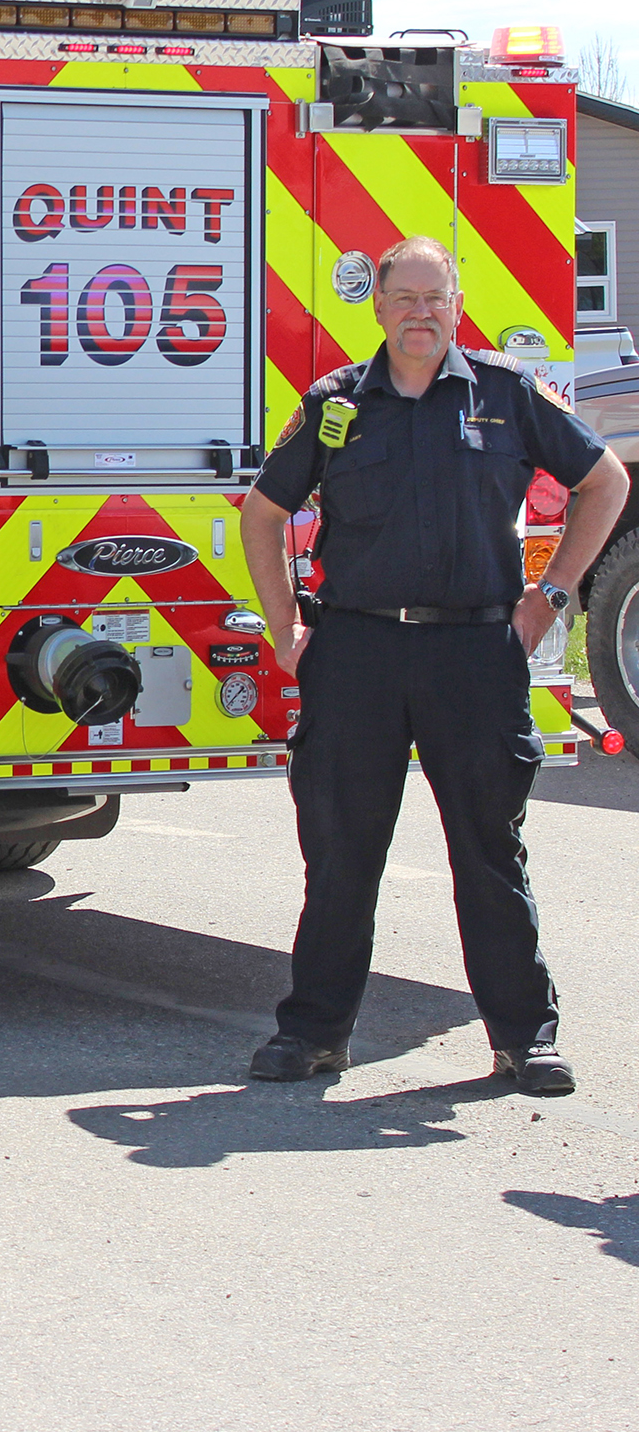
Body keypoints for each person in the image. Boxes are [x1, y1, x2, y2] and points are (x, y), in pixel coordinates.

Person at [239, 235, 627, 1097]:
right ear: (376, 308)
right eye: (403, 297)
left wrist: (552, 597)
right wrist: (284, 623)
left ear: (457, 306)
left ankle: (524, 1038)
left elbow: (604, 483)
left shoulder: (506, 394)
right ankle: (313, 1035)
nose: (420, 312)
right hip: (358, 652)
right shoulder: (337, 403)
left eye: (435, 297)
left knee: (491, 851)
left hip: (476, 652)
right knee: (341, 853)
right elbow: (262, 512)